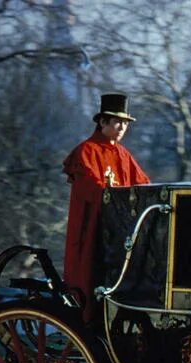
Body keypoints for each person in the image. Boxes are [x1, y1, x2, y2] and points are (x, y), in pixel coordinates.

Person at [63, 93, 150, 322]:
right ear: (103, 122)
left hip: (119, 232)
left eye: (125, 123)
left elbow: (144, 186)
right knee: (90, 279)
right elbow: (94, 191)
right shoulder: (85, 152)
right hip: (93, 231)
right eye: (118, 122)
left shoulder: (123, 155)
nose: (122, 127)